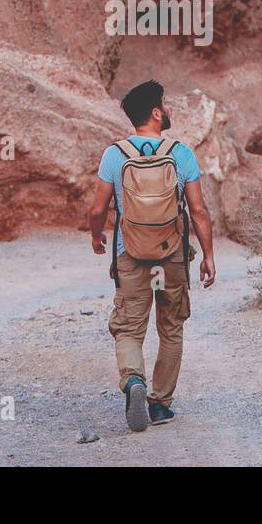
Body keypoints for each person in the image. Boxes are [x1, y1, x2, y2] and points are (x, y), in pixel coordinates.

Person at [87, 79, 216, 432]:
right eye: (165, 104)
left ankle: (133, 382)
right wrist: (208, 255)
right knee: (171, 328)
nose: (168, 109)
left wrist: (97, 236)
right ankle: (159, 404)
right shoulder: (181, 153)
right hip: (171, 255)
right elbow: (199, 210)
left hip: (130, 254)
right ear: (156, 113)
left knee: (129, 327)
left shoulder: (115, 154)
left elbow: (98, 208)